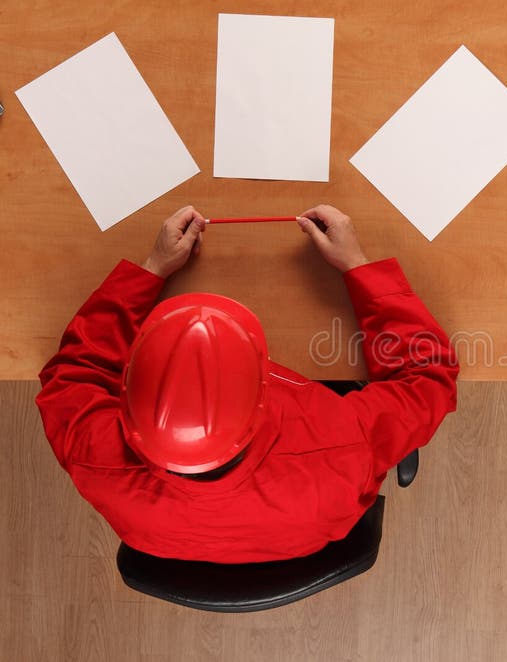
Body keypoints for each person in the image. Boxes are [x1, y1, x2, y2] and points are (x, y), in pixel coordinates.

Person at [35, 205, 459, 563]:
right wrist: (357, 264)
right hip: (307, 526)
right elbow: (428, 376)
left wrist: (152, 270)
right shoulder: (342, 447)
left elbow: (74, 370)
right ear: (266, 384)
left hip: (172, 539)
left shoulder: (95, 459)